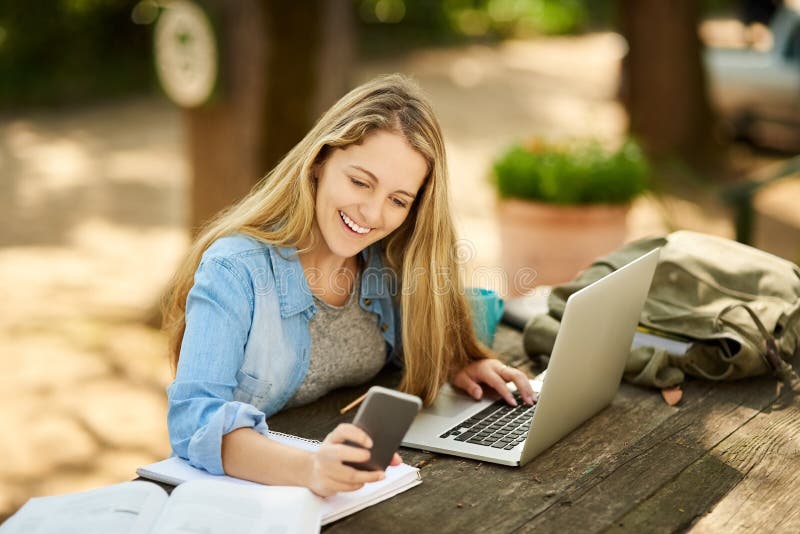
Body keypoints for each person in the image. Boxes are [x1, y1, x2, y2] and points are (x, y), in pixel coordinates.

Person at [163, 74, 535, 497]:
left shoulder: (389, 259)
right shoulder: (235, 269)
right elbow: (194, 421)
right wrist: (311, 469)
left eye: (398, 200)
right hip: (239, 496)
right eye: (360, 182)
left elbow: (419, 337)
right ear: (319, 161)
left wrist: (455, 362)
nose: (373, 213)